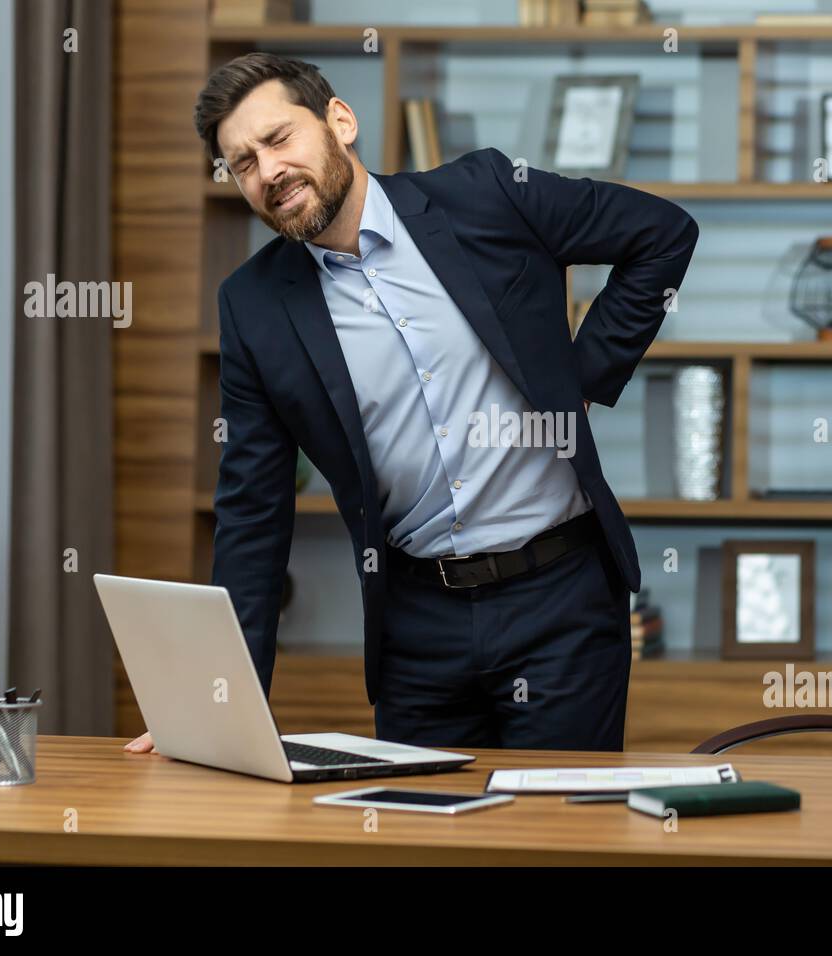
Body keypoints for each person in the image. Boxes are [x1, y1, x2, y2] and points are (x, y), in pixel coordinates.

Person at [126, 52, 697, 754]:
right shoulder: (252, 306)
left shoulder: (485, 194)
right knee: (419, 845)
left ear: (340, 120)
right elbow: (252, 513)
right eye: (242, 163)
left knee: (561, 842)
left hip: (562, 606)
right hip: (417, 630)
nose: (267, 172)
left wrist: (583, 377)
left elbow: (661, 234)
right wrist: (216, 704)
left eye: (278, 140)